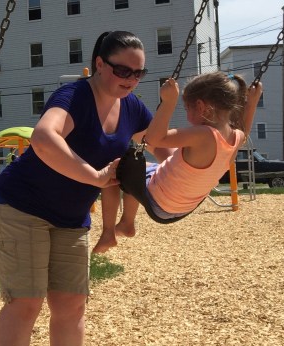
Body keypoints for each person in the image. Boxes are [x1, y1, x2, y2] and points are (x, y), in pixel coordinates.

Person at [0, 30, 165, 346]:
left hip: (71, 217)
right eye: (123, 69)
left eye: (139, 73)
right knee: (26, 302)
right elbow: (43, 137)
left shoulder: (133, 107)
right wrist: (93, 176)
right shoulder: (73, 97)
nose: (131, 79)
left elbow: (163, 146)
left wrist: (210, 147)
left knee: (71, 306)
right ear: (100, 63)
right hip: (22, 206)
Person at [94, 74, 263, 253]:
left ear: (200, 107)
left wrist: (168, 102)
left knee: (115, 168)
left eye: (186, 108)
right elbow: (244, 128)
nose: (186, 113)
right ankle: (127, 223)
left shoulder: (203, 134)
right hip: (184, 206)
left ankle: (109, 232)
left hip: (160, 202)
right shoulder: (237, 137)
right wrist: (251, 103)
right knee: (142, 167)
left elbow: (152, 139)